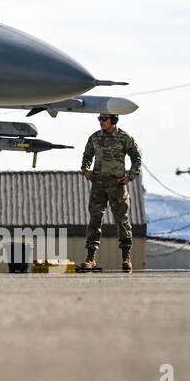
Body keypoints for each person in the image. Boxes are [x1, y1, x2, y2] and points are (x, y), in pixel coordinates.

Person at [80, 113, 142, 271]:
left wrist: (130, 176)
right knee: (95, 220)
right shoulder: (95, 138)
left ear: (113, 120)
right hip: (98, 185)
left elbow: (136, 158)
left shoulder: (124, 138)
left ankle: (126, 258)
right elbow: (87, 156)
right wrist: (85, 170)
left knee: (122, 221)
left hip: (117, 185)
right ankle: (90, 258)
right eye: (99, 119)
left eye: (104, 119)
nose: (101, 122)